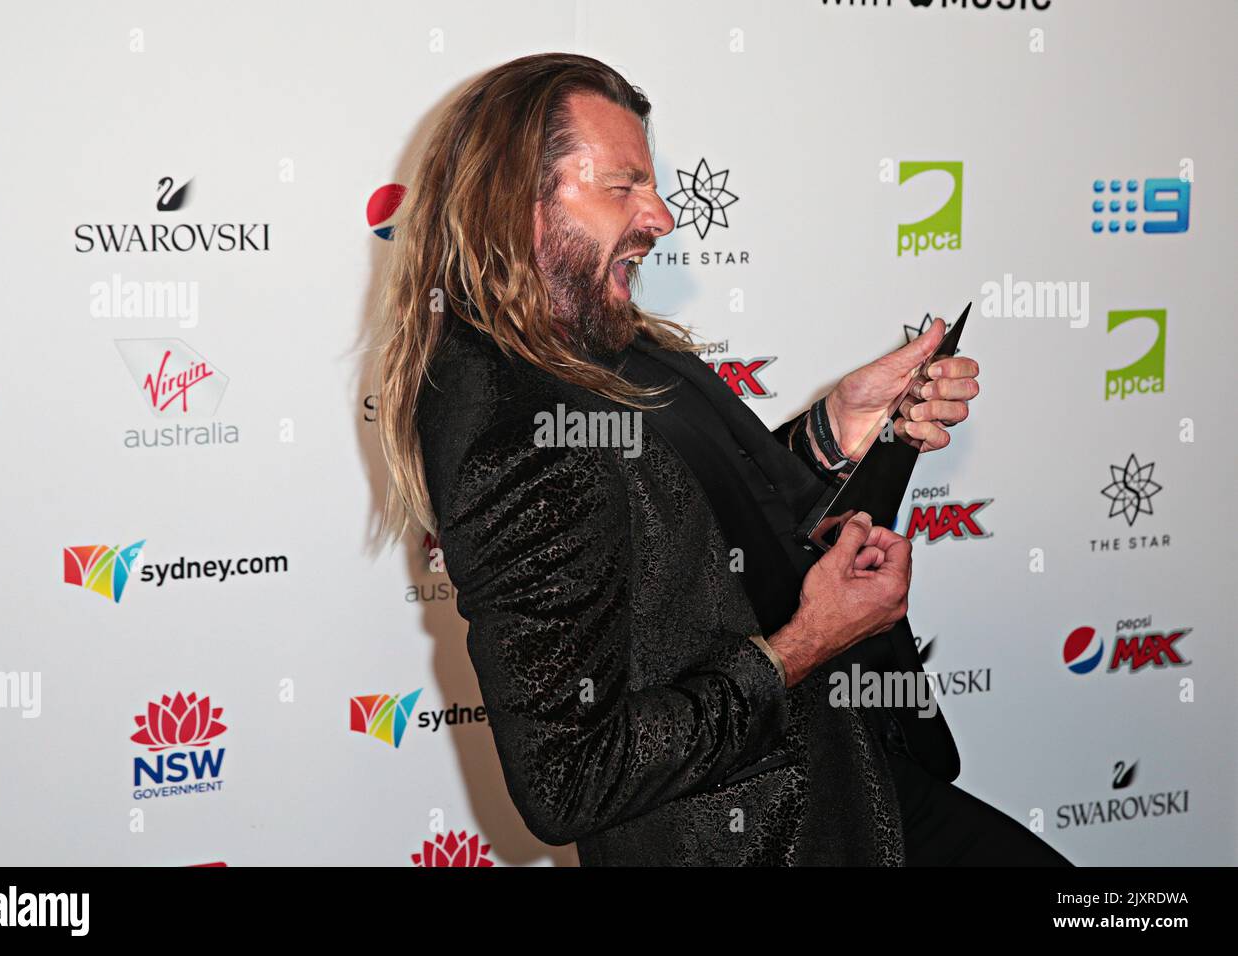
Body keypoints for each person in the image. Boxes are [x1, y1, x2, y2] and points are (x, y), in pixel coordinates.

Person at [378, 52, 1070, 866]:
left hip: (854, 782)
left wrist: (841, 428)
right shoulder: (514, 426)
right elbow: (568, 779)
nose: (663, 216)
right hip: (762, 837)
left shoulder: (602, 342)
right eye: (624, 187)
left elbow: (701, 538)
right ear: (518, 203)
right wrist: (806, 643)